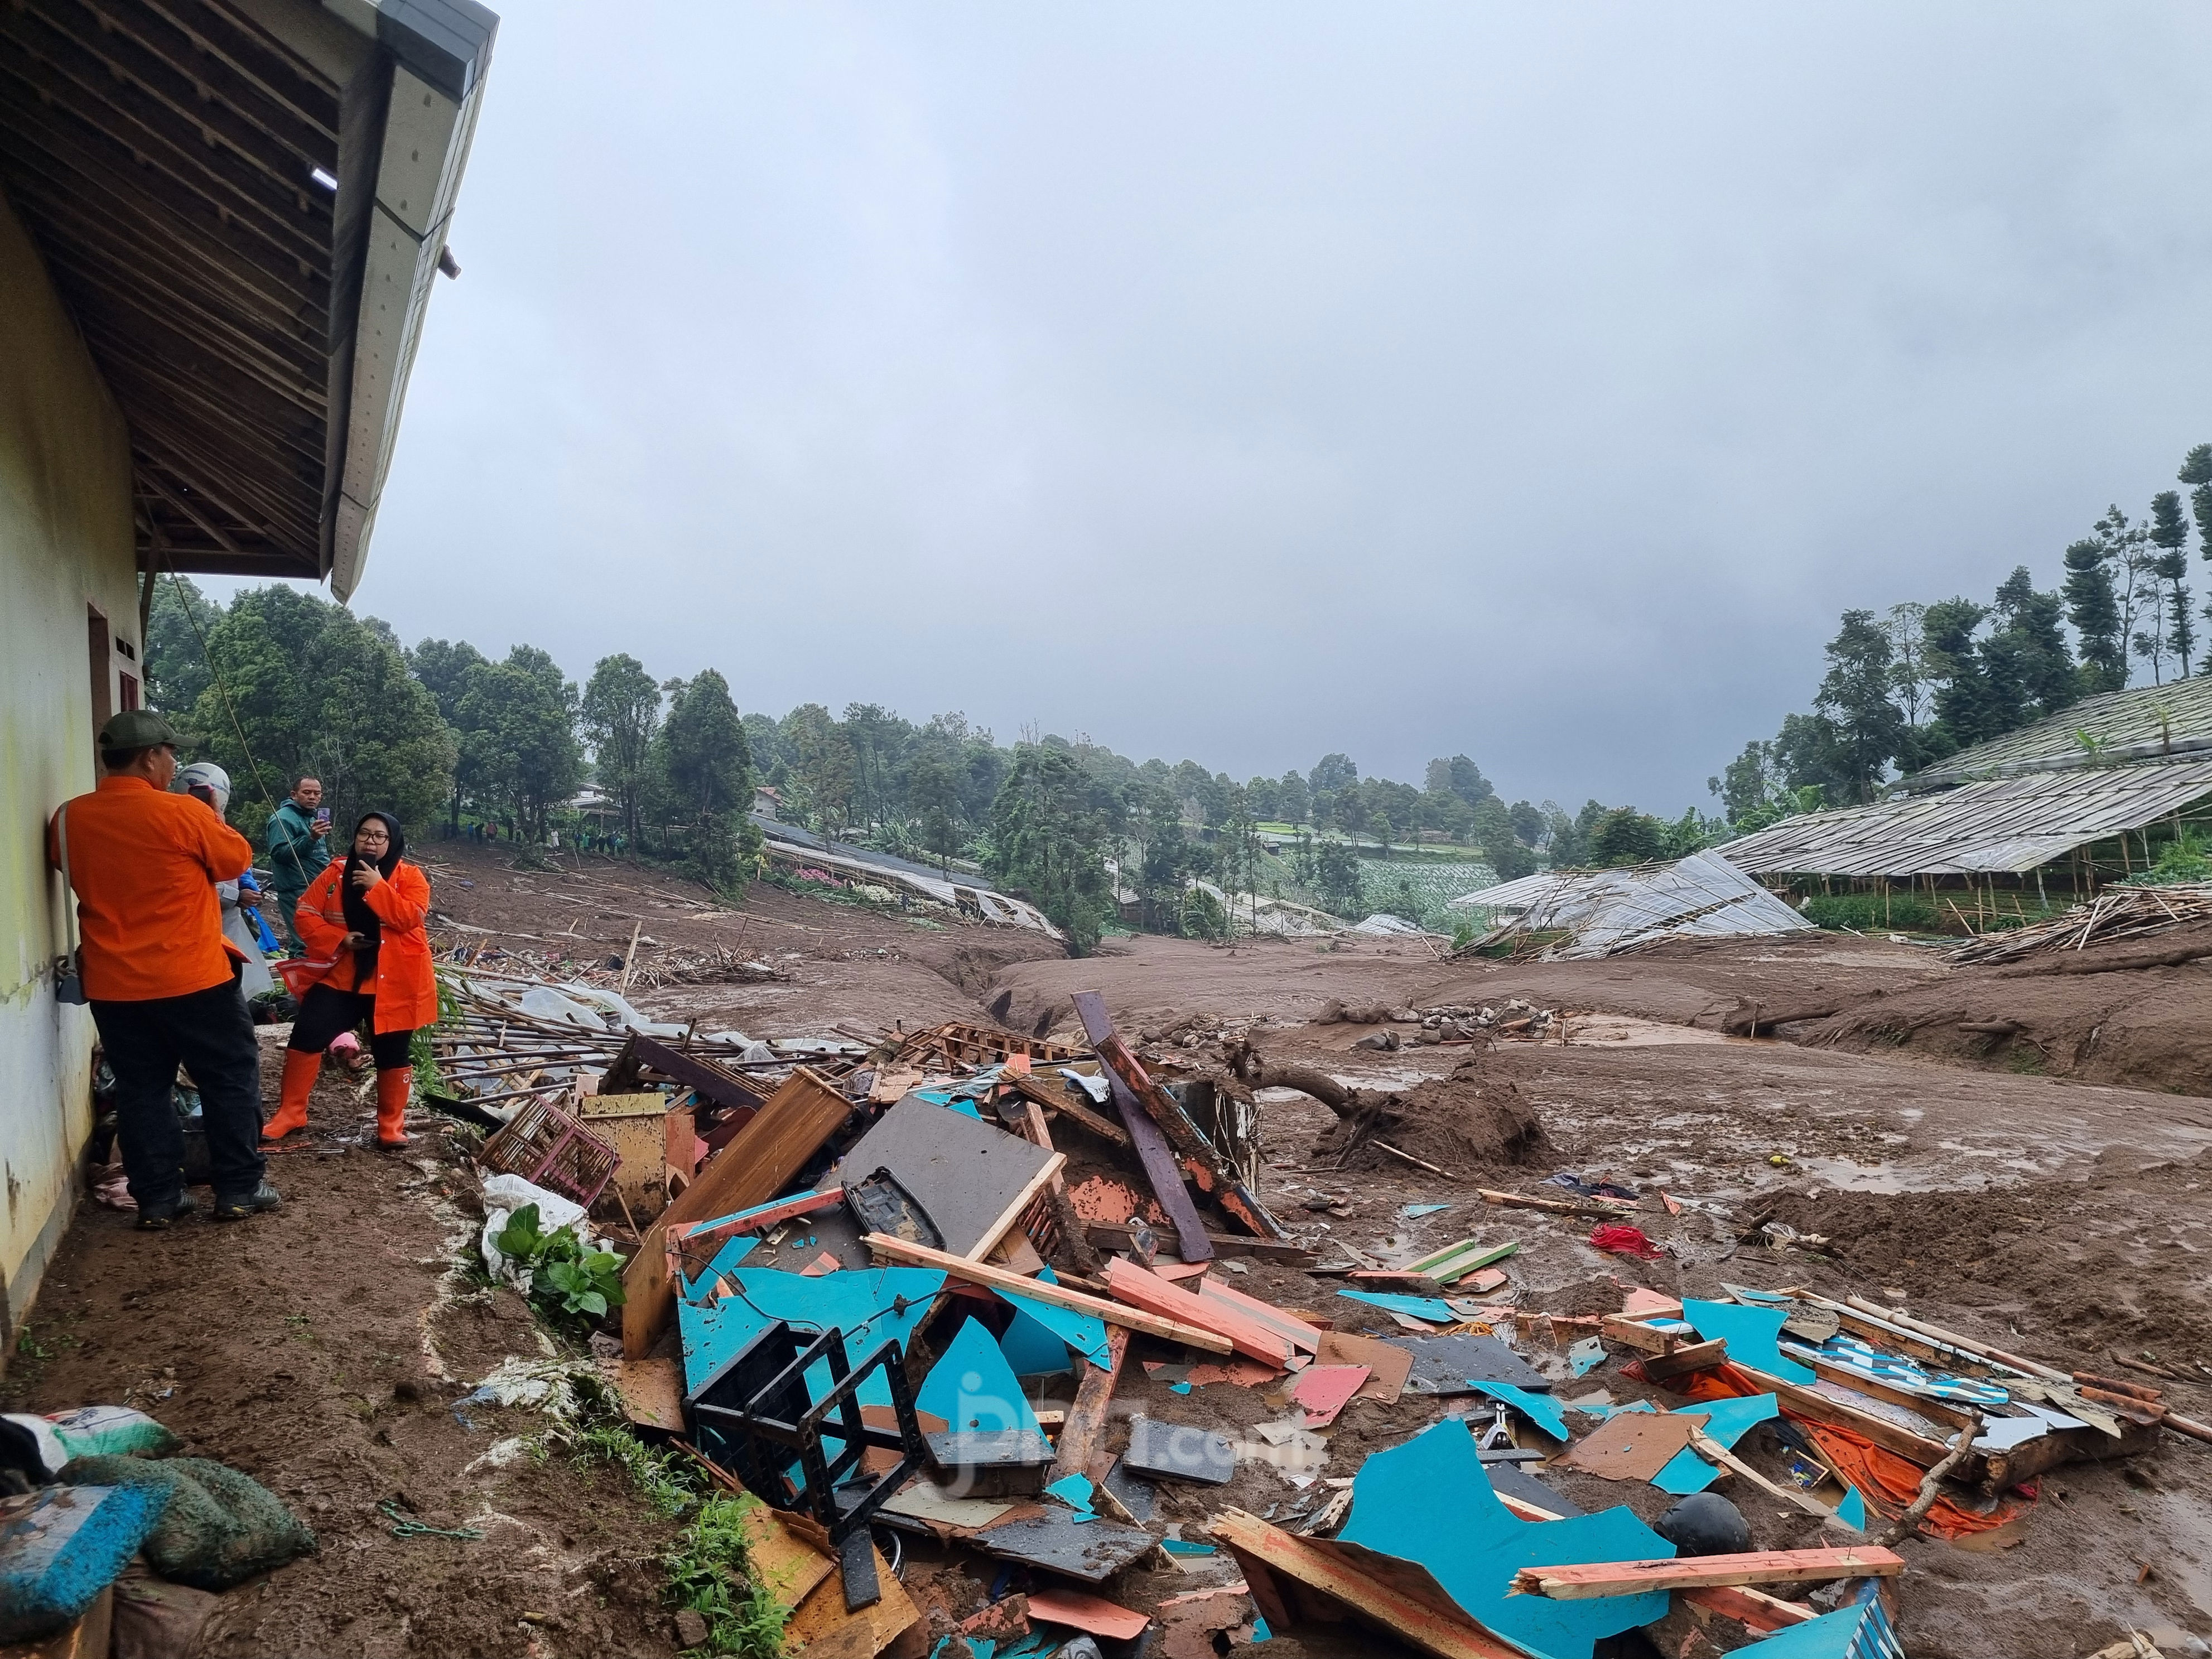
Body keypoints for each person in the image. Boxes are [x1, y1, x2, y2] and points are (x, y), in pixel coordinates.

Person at [49, 712, 280, 1228]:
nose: (174, 764)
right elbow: (233, 860)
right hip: (193, 977)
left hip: (114, 985)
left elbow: (69, 863)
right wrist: (212, 814)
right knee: (228, 1078)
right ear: (150, 757)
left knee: (141, 1088)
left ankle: (157, 1198)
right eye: (171, 754)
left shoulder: (67, 819)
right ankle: (239, 1188)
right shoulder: (181, 813)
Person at [262, 811, 435, 1147]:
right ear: (355, 838)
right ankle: (292, 1112)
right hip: (343, 976)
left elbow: (408, 918)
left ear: (393, 841)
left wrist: (377, 887)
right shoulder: (334, 874)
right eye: (364, 834)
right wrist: (339, 938)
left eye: (379, 836)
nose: (370, 841)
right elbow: (305, 914)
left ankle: (390, 1127)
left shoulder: (410, 877)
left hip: (395, 980)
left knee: (392, 1053)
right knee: (306, 1036)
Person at [175, 763, 276, 1005]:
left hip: (226, 924)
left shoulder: (209, 825)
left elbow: (240, 866)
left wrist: (246, 886)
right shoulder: (187, 827)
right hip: (204, 930)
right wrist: (236, 896)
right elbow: (192, 882)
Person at [264, 777, 330, 950]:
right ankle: (296, 977)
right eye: (307, 793)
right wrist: (310, 838)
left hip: (317, 890)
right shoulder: (282, 819)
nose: (312, 797)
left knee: (319, 940)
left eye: (317, 794)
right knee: (304, 942)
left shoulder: (311, 818)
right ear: (294, 795)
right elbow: (279, 854)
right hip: (296, 891)